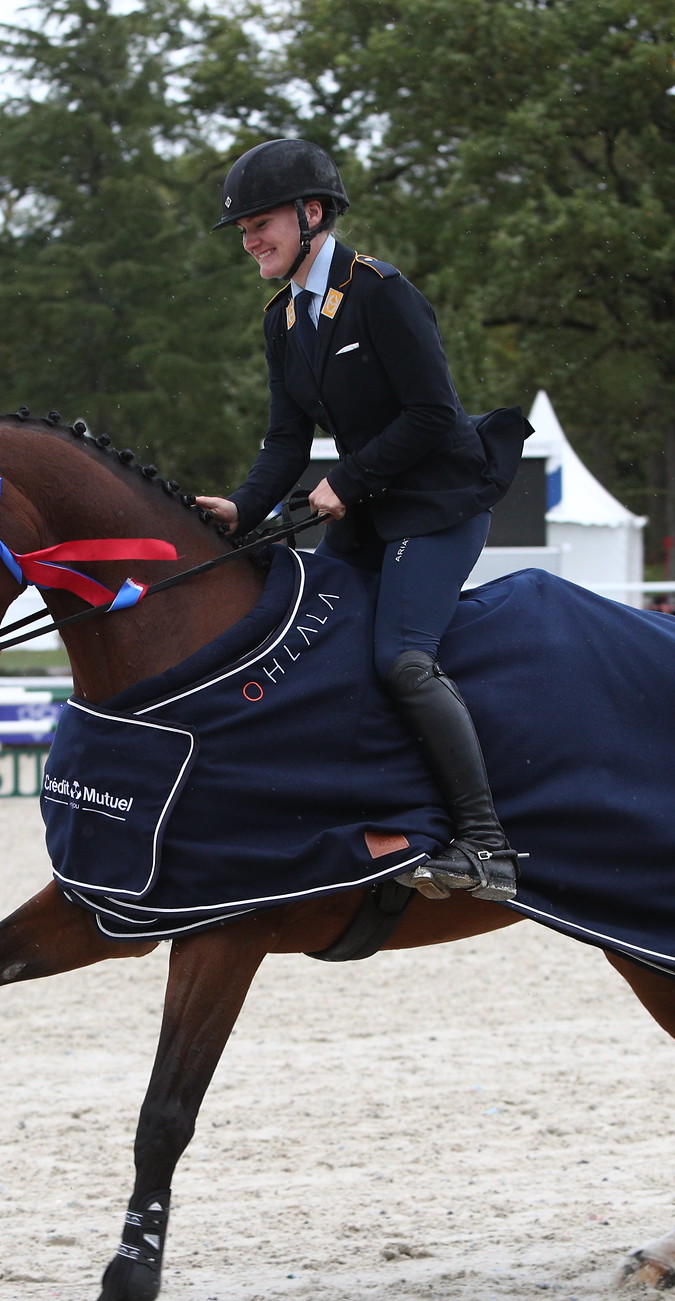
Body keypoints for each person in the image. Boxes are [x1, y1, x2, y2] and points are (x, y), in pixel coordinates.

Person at [193, 138, 526, 902]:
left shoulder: (380, 291)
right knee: (308, 639)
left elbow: (435, 417)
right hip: (373, 509)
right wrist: (243, 505)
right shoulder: (283, 319)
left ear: (313, 214)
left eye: (262, 223)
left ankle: (486, 844)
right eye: (243, 229)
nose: (250, 240)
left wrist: (349, 477)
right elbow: (285, 438)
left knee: (401, 662)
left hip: (439, 503)